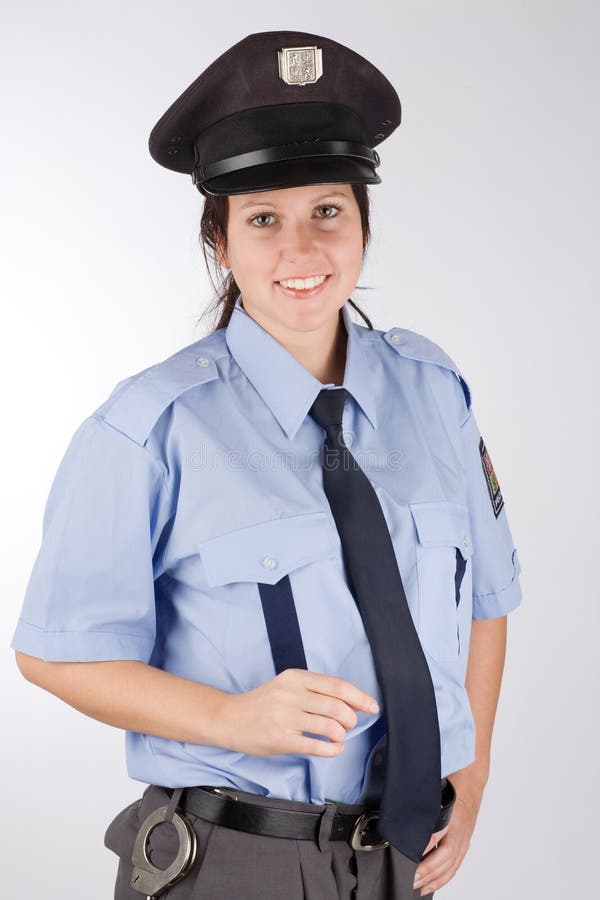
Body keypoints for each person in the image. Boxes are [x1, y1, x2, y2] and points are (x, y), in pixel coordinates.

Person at [10, 29, 523, 900]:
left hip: (402, 856)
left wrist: (466, 783)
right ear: (219, 239)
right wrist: (233, 719)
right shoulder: (148, 428)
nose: (301, 252)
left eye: (328, 210)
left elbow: (488, 599)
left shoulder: (436, 393)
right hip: (233, 858)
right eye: (262, 220)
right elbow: (55, 653)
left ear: (363, 221)